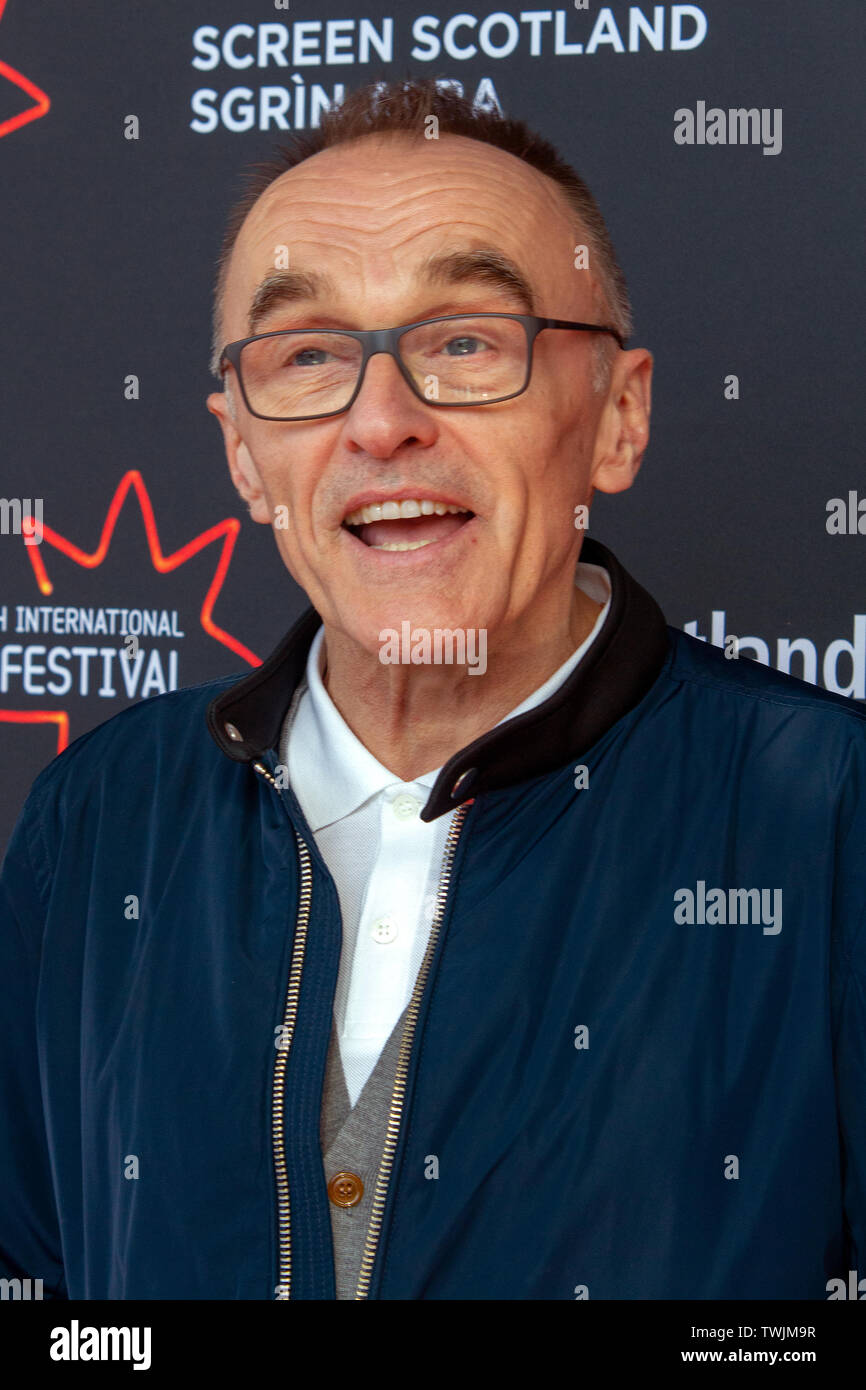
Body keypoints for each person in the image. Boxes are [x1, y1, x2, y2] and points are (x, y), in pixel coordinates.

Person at [1, 77, 864, 1302]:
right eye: (306, 356)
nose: (380, 420)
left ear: (616, 418)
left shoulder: (827, 819)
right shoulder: (96, 818)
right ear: (244, 451)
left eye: (464, 341)